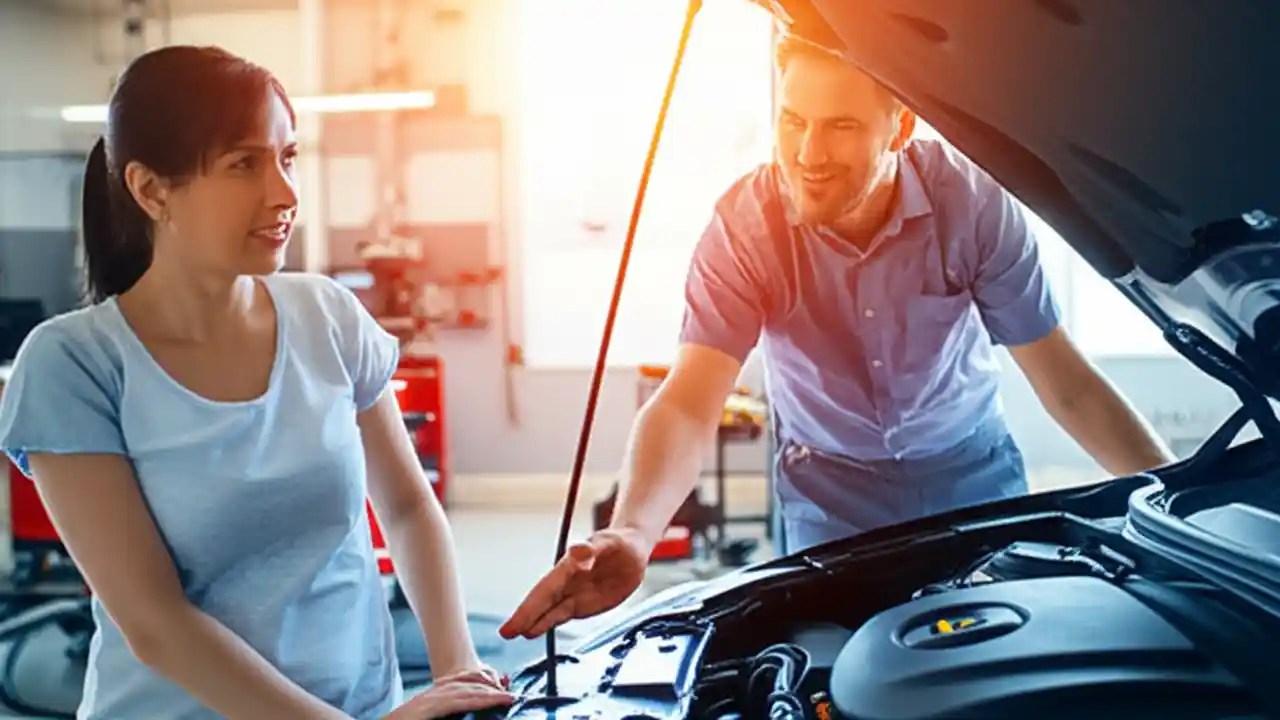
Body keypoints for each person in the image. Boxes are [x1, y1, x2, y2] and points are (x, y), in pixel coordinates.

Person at [499, 35, 1176, 640]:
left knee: (993, 666)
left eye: (841, 126)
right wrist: (635, 530)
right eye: (793, 121)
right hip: (828, 495)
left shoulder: (971, 203)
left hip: (973, 478)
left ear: (901, 126)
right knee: (837, 675)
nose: (809, 153)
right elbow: (689, 400)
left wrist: (1176, 504)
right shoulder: (744, 227)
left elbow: (1067, 382)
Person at [0, 46, 512, 720]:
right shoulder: (74, 363)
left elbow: (410, 509)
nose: (286, 194)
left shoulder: (328, 317)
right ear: (152, 190)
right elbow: (155, 622)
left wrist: (458, 672)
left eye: (288, 157)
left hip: (366, 705)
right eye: (245, 164)